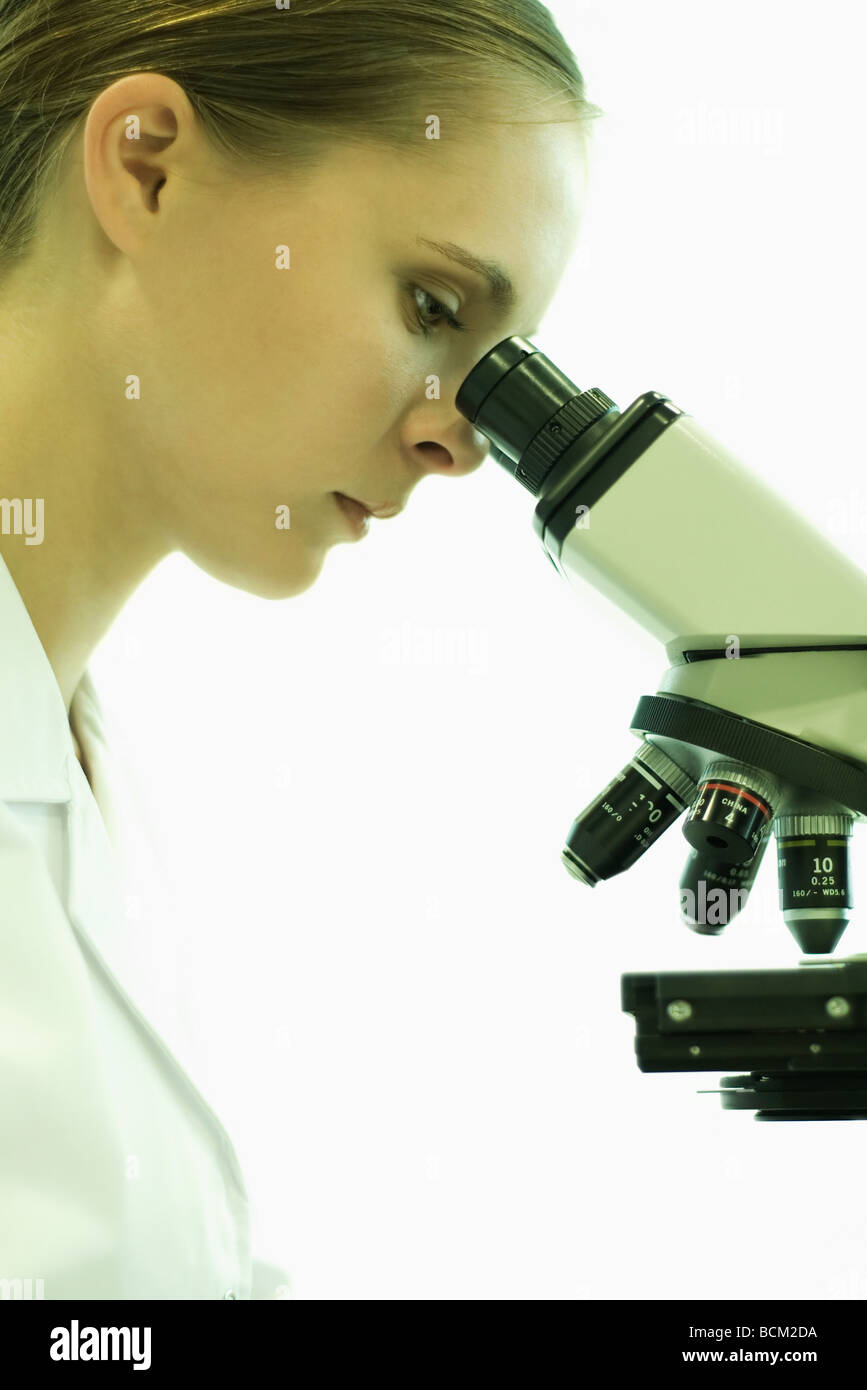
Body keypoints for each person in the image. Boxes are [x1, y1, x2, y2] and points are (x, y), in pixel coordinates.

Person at [0, 0, 601, 1299]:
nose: (461, 442)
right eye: (432, 304)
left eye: (500, 371)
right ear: (148, 164)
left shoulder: (87, 782)